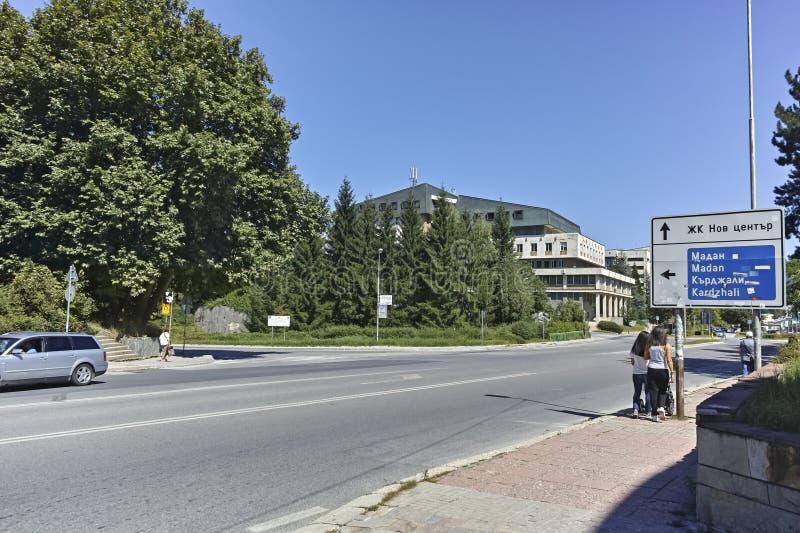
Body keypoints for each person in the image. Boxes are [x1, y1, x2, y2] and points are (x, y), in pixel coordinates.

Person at [644, 326, 674, 423]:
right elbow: (669, 360)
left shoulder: (649, 344)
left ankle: (654, 415)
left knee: (653, 392)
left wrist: (652, 355)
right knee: (663, 390)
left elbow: (645, 357)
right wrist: (672, 372)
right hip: (663, 370)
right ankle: (661, 407)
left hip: (651, 369)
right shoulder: (666, 345)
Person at [629, 331, 651, 418]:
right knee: (648, 392)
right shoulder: (649, 350)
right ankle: (648, 411)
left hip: (636, 373)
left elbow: (632, 362)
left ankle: (635, 410)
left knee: (637, 392)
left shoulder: (634, 349)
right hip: (647, 373)